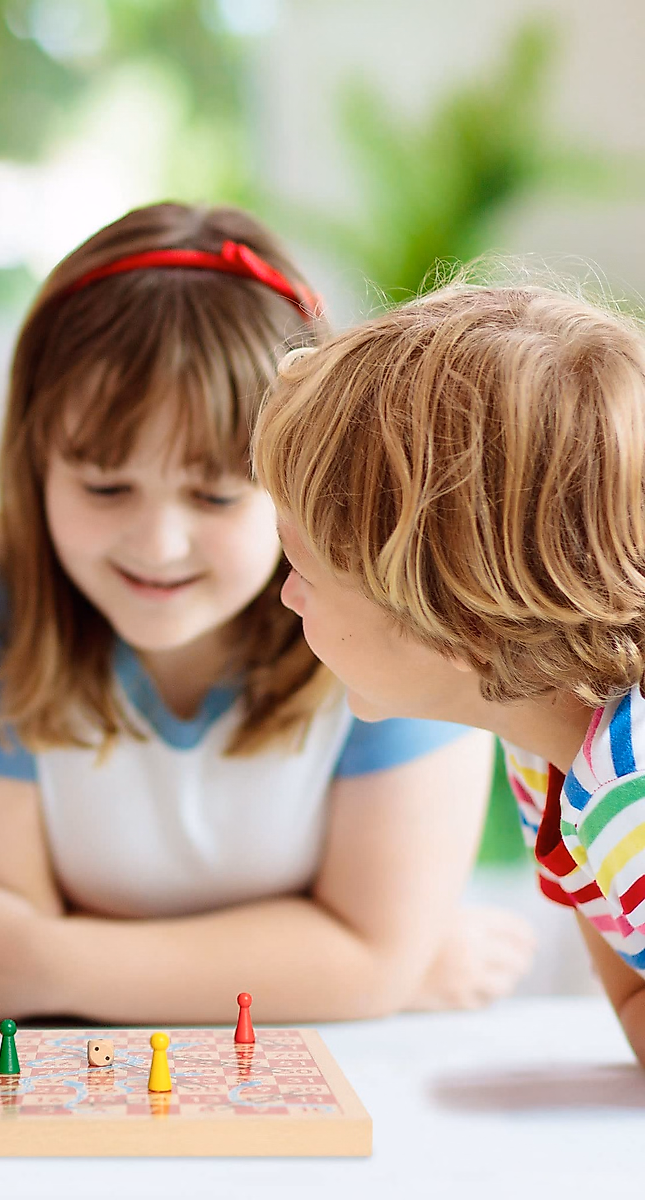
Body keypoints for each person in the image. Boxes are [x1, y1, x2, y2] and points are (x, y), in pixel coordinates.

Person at [0, 203, 533, 1025]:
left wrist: (53, 957)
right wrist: (350, 973)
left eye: (216, 495)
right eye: (104, 486)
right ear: (34, 459)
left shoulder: (396, 613)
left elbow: (21, 966)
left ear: (302, 481)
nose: (158, 542)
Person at [252, 281, 645, 1065]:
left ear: (456, 622)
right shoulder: (550, 756)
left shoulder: (626, 796)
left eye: (305, 568)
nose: (285, 594)